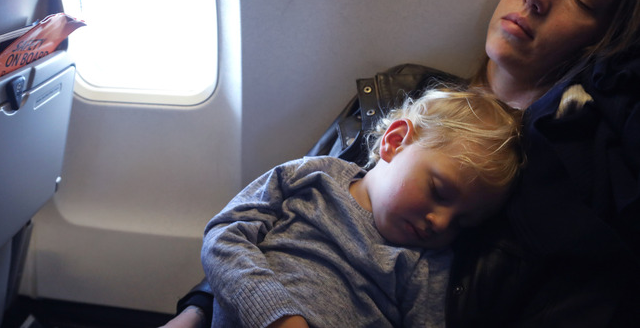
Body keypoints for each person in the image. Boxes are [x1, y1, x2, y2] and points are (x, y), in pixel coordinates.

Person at [163, 0, 640, 328]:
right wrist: (196, 312)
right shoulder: (399, 93)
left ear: (605, 40)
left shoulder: (563, 172)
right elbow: (279, 223)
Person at [203, 88, 522, 328]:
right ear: (395, 142)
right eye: (439, 191)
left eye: (461, 223)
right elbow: (224, 238)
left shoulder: (424, 264)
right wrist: (275, 314)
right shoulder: (313, 175)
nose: (440, 223)